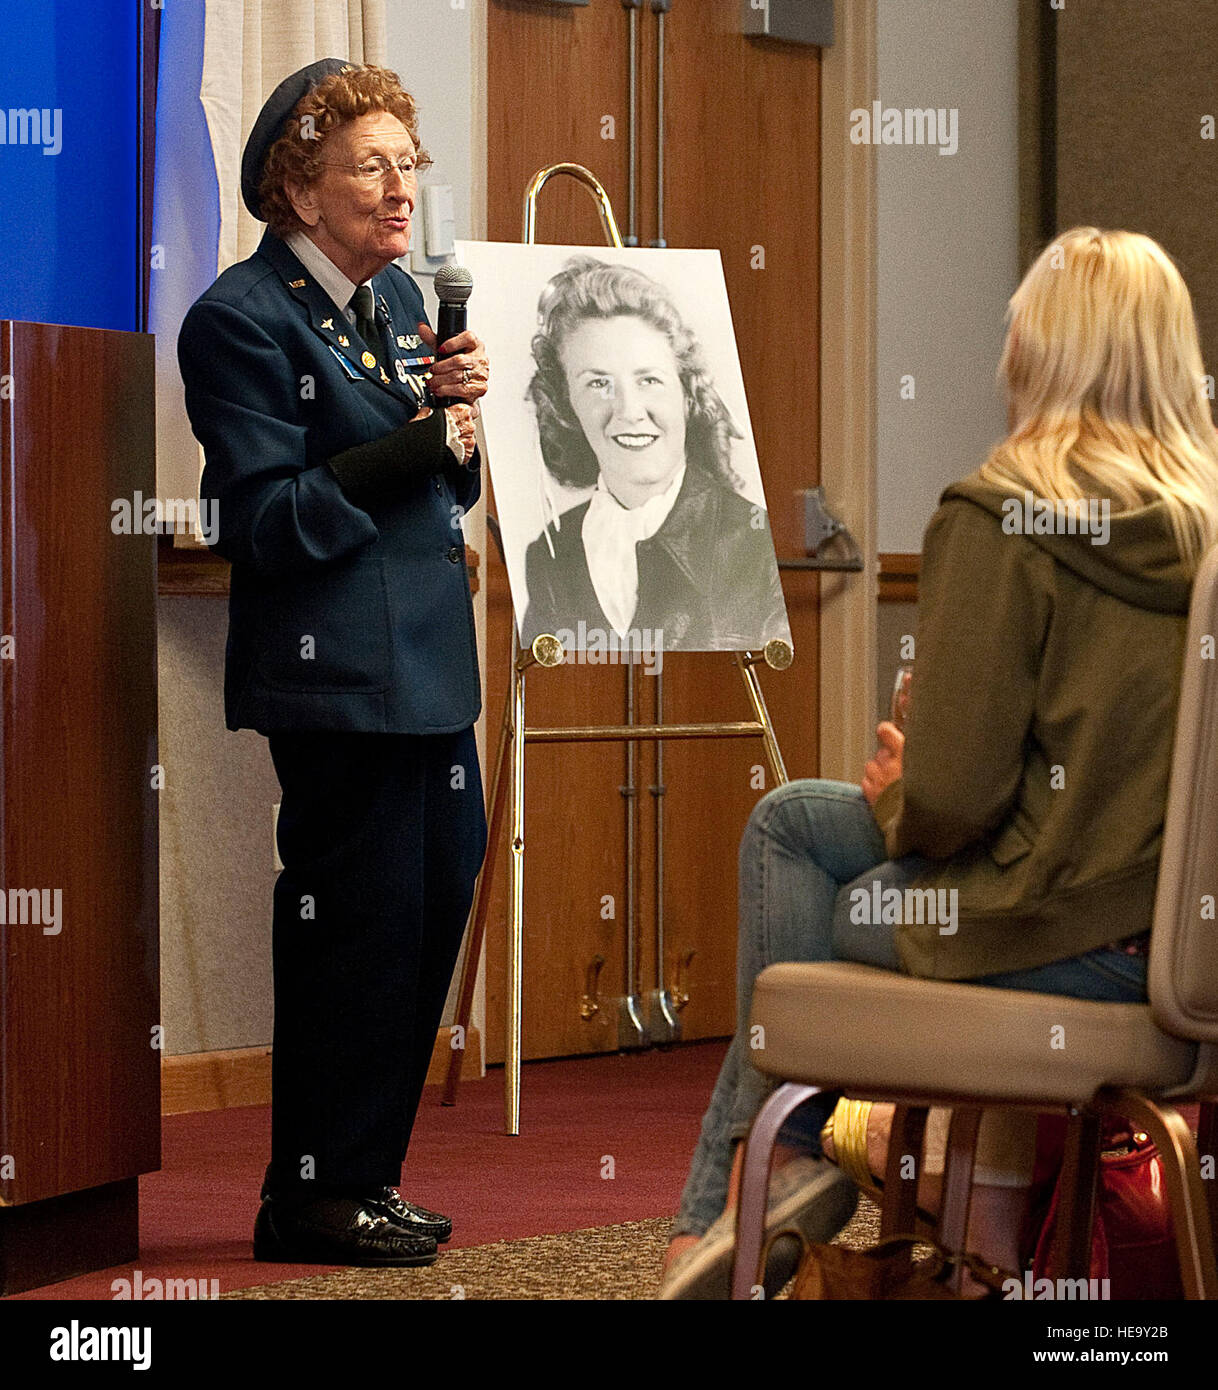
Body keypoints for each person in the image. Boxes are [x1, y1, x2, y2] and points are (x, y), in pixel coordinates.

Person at [659, 226, 1218, 1299]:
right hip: (1180, 942)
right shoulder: (1203, 533)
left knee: (839, 903)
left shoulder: (1003, 513)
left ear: (1036, 351)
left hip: (1061, 929)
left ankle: (764, 1175)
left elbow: (958, 799)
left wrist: (901, 793)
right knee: (791, 821)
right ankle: (779, 1185)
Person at [178, 59, 490, 1268]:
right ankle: (307, 1194)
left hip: (432, 674)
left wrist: (457, 430)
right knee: (353, 931)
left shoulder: (402, 300)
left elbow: (442, 483)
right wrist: (419, 444)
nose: (401, 188)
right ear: (302, 190)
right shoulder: (240, 319)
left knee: (428, 910)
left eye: (409, 164)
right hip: (338, 679)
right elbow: (261, 522)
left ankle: (366, 1173)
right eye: (372, 166)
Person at [520, 255, 788, 652]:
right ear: (567, 405)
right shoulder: (551, 553)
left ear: (687, 395)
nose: (629, 411)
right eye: (598, 384)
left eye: (648, 380)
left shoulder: (752, 540)